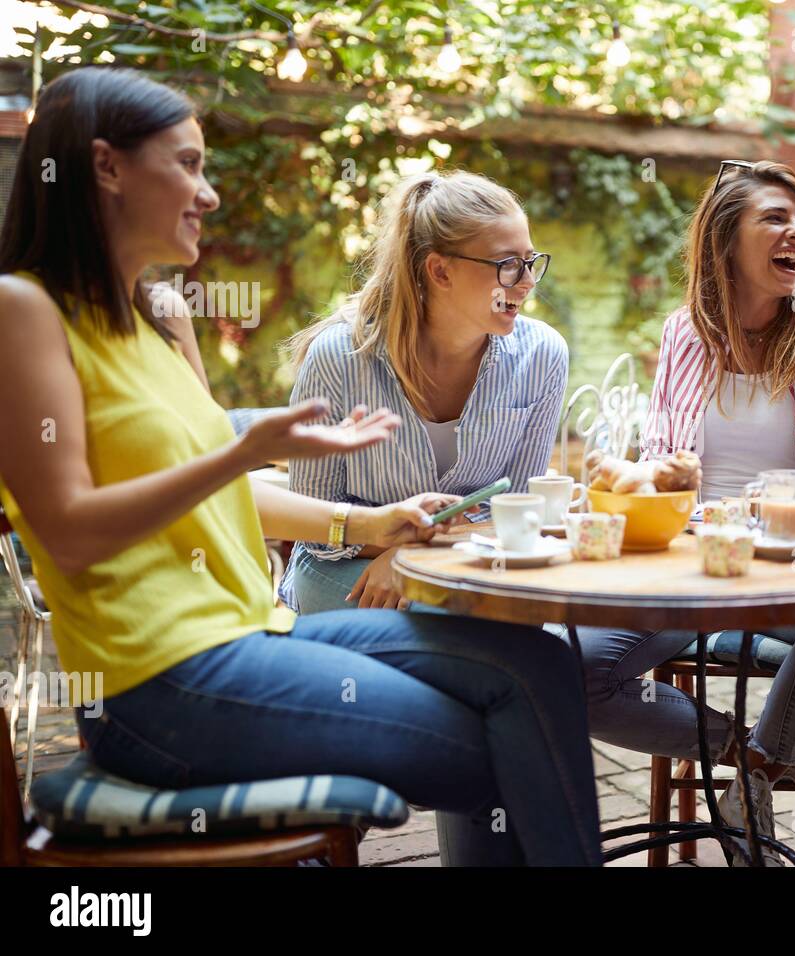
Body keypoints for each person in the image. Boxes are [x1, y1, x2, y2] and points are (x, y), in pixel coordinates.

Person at [0, 66, 600, 866]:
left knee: (540, 668)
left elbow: (226, 493)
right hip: (159, 685)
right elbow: (69, 533)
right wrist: (246, 448)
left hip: (256, 633)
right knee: (505, 737)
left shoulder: (160, 317)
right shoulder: (25, 310)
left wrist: (365, 522)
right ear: (107, 167)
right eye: (186, 164)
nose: (208, 193)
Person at [578, 160, 795, 864]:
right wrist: (648, 478)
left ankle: (756, 773)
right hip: (694, 568)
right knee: (571, 670)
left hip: (794, 573)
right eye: (776, 219)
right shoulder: (682, 336)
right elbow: (661, 461)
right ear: (725, 242)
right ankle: (748, 750)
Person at [280, 169, 567, 614]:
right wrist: (394, 550)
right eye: (507, 265)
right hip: (345, 568)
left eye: (531, 261)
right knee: (471, 632)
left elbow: (519, 509)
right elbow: (317, 528)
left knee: (521, 633)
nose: (527, 282)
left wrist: (415, 556)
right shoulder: (340, 356)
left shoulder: (542, 354)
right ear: (439, 270)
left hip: (467, 565)